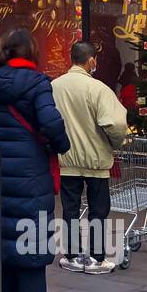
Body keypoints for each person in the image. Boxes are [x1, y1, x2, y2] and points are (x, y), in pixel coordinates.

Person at [0, 28, 70, 292]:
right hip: (29, 170)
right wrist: (61, 146)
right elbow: (51, 122)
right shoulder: (38, 82)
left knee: (4, 230)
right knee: (32, 231)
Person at [51, 41, 129, 274]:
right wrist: (115, 143)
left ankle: (72, 256)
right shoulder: (99, 89)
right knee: (98, 210)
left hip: (66, 159)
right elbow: (115, 123)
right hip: (96, 160)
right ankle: (96, 258)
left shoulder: (54, 86)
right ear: (91, 60)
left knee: (70, 209)